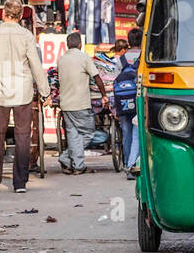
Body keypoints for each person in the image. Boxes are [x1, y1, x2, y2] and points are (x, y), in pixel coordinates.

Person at [0, 0, 48, 193]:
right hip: (23, 91)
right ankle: (20, 183)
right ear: (20, 16)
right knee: (23, 136)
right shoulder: (26, 36)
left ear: (3, 14)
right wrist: (45, 92)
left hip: (0, 92)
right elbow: (35, 64)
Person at [57, 31, 110, 175]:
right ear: (80, 45)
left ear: (67, 45)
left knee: (73, 134)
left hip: (66, 104)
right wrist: (104, 95)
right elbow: (97, 77)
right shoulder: (84, 58)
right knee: (89, 133)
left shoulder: (61, 59)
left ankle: (77, 165)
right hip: (80, 103)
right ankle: (66, 158)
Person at [113, 27, 142, 179]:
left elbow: (115, 82)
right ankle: (135, 164)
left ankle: (127, 164)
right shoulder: (144, 57)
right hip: (139, 100)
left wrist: (114, 106)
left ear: (129, 42)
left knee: (127, 133)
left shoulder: (121, 60)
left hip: (123, 100)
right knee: (139, 133)